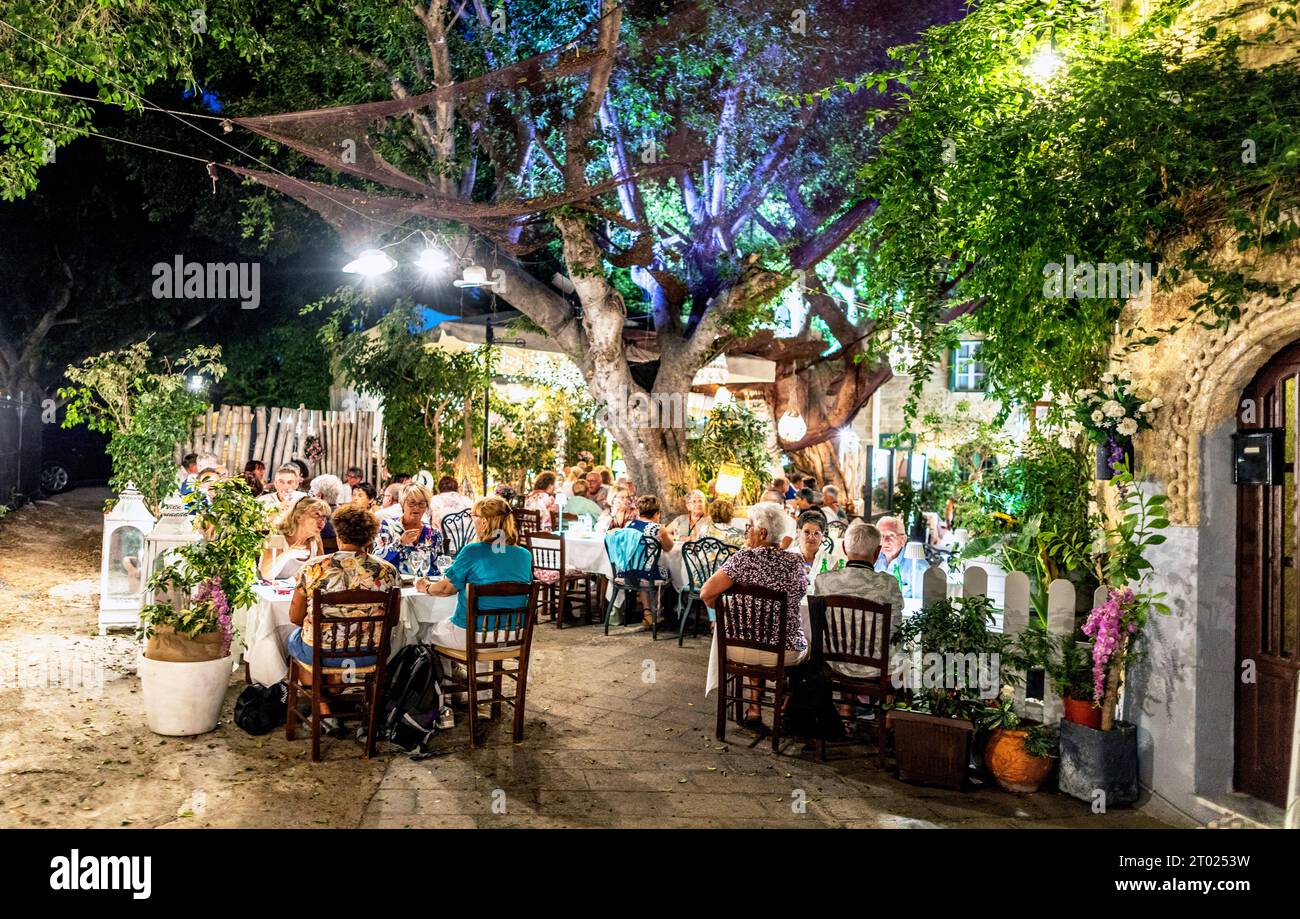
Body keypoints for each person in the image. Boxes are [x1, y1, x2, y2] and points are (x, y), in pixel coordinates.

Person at [699, 502, 810, 725]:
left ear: (762, 532)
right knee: (812, 645)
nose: (746, 531)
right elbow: (801, 594)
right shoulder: (796, 562)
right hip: (783, 652)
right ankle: (786, 708)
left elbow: (707, 593)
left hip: (738, 647)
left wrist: (726, 610)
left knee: (754, 632)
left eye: (748, 526)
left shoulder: (743, 559)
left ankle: (754, 707)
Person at [286, 506, 400, 723]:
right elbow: (392, 620)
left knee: (295, 640)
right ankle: (333, 699)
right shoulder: (388, 571)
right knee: (328, 652)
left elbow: (295, 617)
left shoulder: (314, 568)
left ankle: (324, 710)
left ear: (338, 534)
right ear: (370, 539)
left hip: (322, 650)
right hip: (370, 651)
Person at [416, 496, 532, 699]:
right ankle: (481, 695)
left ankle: (443, 698)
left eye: (473, 517)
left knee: (424, 630)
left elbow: (445, 589)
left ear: (485, 521)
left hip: (475, 636)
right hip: (515, 636)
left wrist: (425, 586)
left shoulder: (473, 551)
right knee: (481, 624)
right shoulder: (524, 555)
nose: (472, 521)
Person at [814, 522, 904, 718]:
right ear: (878, 551)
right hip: (876, 668)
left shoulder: (824, 581)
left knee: (844, 640)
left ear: (845, 548)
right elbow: (896, 628)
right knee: (905, 657)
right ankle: (887, 721)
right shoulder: (888, 584)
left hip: (834, 663)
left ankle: (847, 708)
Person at [374, 483, 442, 577]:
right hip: (396, 585)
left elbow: (439, 566)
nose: (416, 507)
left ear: (426, 507)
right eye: (412, 503)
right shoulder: (388, 527)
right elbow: (376, 559)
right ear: (402, 504)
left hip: (425, 587)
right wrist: (399, 543)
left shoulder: (433, 534)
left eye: (421, 504)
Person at [260, 495, 329, 581]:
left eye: (324, 517)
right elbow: (266, 575)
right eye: (316, 514)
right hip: (274, 592)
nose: (322, 521)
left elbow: (321, 574)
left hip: (301, 593)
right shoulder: (277, 536)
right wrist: (287, 555)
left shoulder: (316, 539)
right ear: (298, 516)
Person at [873, 515, 913, 597]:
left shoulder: (917, 566)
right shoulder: (872, 559)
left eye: (891, 535)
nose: (885, 541)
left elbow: (924, 606)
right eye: (881, 536)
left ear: (903, 540)